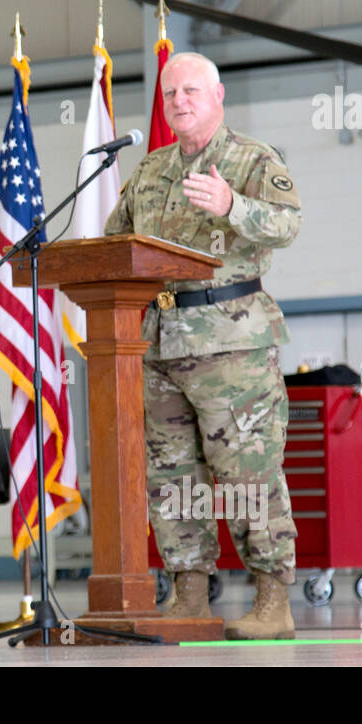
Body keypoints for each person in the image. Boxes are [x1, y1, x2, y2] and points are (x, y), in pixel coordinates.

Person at [103, 51, 301, 640]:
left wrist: (231, 206)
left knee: (247, 472)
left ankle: (272, 601)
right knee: (171, 476)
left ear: (218, 96)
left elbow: (289, 225)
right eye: (170, 95)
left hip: (231, 348)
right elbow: (118, 241)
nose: (180, 102)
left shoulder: (252, 159)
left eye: (191, 91)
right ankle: (189, 595)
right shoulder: (150, 171)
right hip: (158, 347)